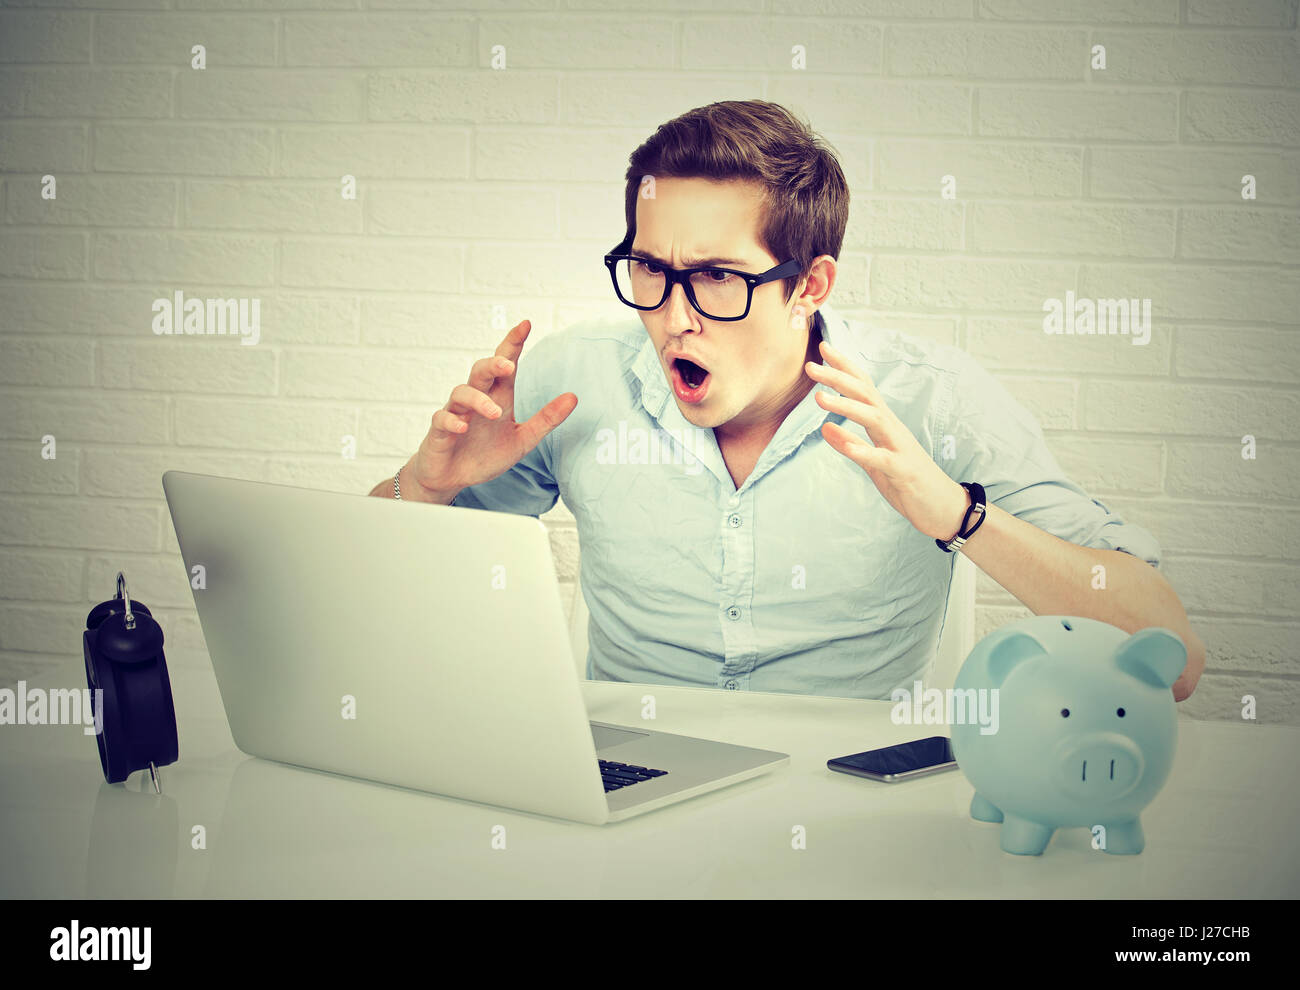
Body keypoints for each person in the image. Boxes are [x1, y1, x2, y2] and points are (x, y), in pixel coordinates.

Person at [369, 100, 1205, 703]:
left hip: (856, 798)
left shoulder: (931, 398)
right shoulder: (568, 379)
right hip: (624, 776)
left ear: (810, 284)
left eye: (719, 278)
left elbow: (1171, 659)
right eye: (650, 269)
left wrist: (956, 513)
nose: (673, 315)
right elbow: (371, 605)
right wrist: (425, 487)